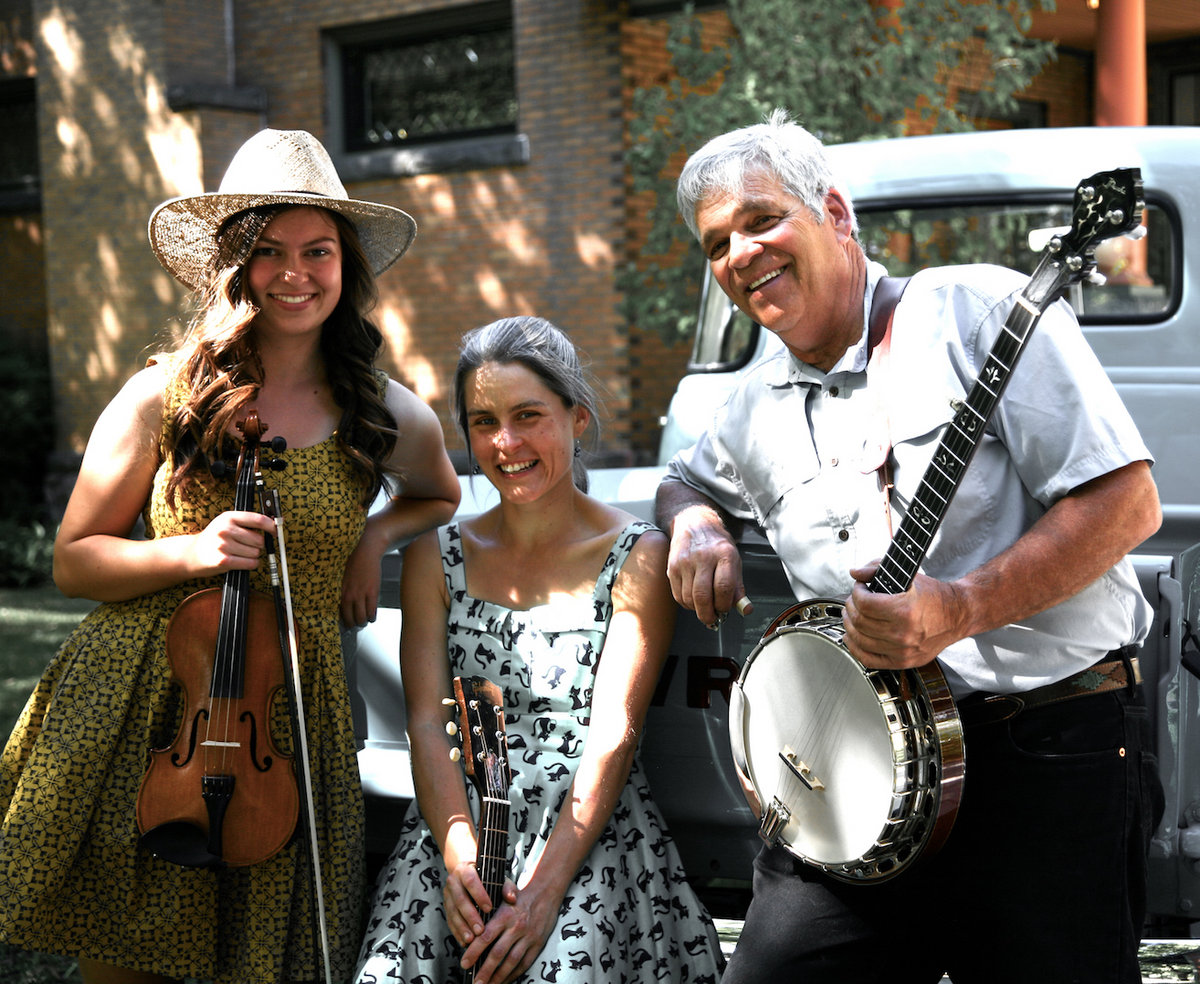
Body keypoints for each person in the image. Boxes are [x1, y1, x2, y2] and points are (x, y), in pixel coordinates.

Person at [656, 110, 1164, 984]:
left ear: (837, 214)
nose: (740, 254)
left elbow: (1126, 503)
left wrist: (960, 608)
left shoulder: (974, 310)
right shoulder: (749, 406)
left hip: (1041, 754)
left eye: (761, 220)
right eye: (715, 245)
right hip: (851, 773)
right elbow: (685, 481)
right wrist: (695, 522)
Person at [0, 128, 461, 984]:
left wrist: (375, 533)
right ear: (233, 263)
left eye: (318, 251)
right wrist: (192, 552)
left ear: (346, 263)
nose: (296, 274)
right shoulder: (163, 394)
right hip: (151, 697)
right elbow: (74, 560)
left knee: (259, 956)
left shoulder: (386, 413)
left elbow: (440, 494)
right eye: (270, 251)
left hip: (289, 704)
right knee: (128, 956)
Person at [354, 316, 724, 984]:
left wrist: (547, 892)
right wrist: (458, 849)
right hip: (458, 819)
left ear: (577, 417)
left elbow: (615, 731)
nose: (506, 442)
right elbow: (425, 723)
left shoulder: (636, 556)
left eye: (529, 415)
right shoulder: (435, 558)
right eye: (484, 421)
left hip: (583, 832)